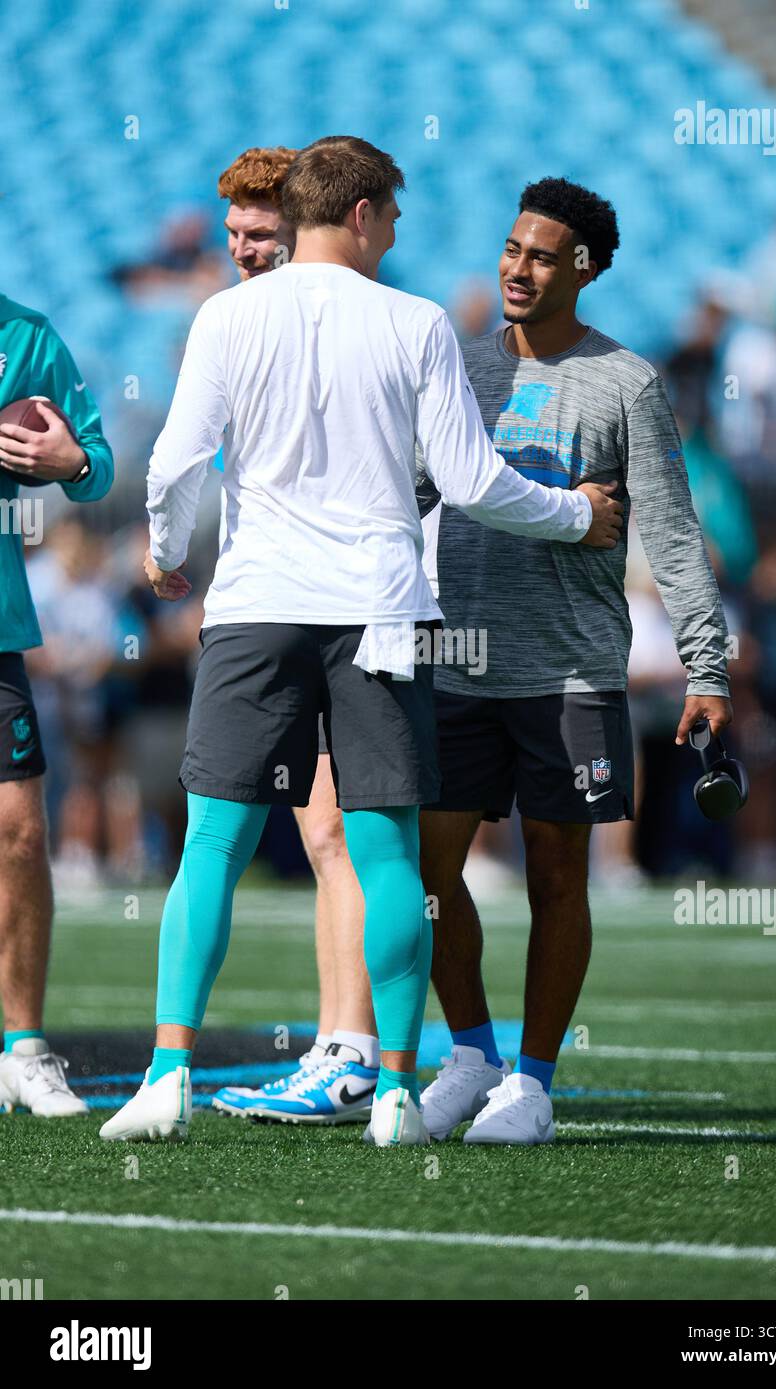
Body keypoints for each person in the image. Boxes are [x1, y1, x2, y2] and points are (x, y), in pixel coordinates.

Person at [99, 137, 621, 1147]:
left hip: (256, 603)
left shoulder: (225, 313)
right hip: (382, 607)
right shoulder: (416, 321)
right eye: (394, 216)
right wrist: (572, 515)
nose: (396, 232)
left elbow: (174, 464)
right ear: (367, 210)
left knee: (212, 843)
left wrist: (166, 553)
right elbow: (469, 484)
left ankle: (167, 1076)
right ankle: (390, 1090)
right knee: (384, 851)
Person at [417, 178, 732, 1144]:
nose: (518, 267)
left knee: (558, 877)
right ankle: (472, 1054)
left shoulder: (628, 381)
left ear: (584, 268)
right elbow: (400, 493)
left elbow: (673, 532)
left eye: (543, 255)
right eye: (512, 249)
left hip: (571, 670)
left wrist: (707, 668)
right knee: (428, 875)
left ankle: (535, 1084)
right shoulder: (459, 368)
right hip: (455, 662)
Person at [212, 146, 379, 1125]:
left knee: (348, 836)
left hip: (350, 607)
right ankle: (342, 1044)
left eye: (260, 235)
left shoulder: (343, 321)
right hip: (295, 605)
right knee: (326, 832)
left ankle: (356, 1050)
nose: (243, 250)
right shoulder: (255, 319)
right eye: (233, 233)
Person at [0, 293, 114, 1116]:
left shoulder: (27, 335)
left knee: (20, 829)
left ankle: (24, 1050)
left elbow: (97, 463)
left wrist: (69, 462)